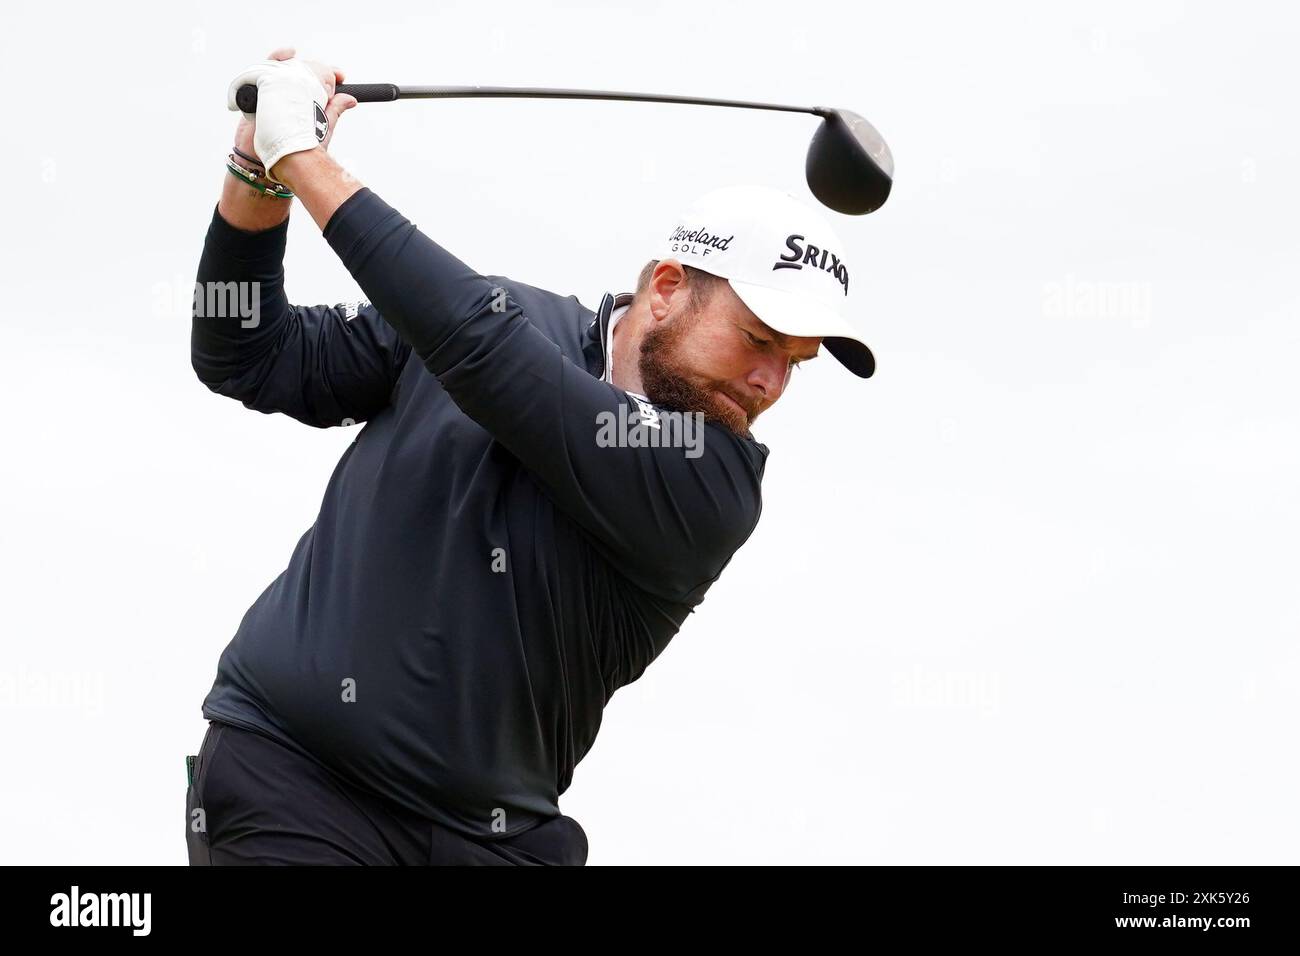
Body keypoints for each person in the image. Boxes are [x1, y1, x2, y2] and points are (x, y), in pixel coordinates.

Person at [185, 49, 875, 866]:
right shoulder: (497, 320)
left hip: (496, 841)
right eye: (758, 338)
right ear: (665, 287)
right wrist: (254, 174)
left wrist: (304, 160)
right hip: (294, 784)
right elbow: (245, 352)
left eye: (794, 361)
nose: (767, 381)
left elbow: (487, 358)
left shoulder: (712, 483)